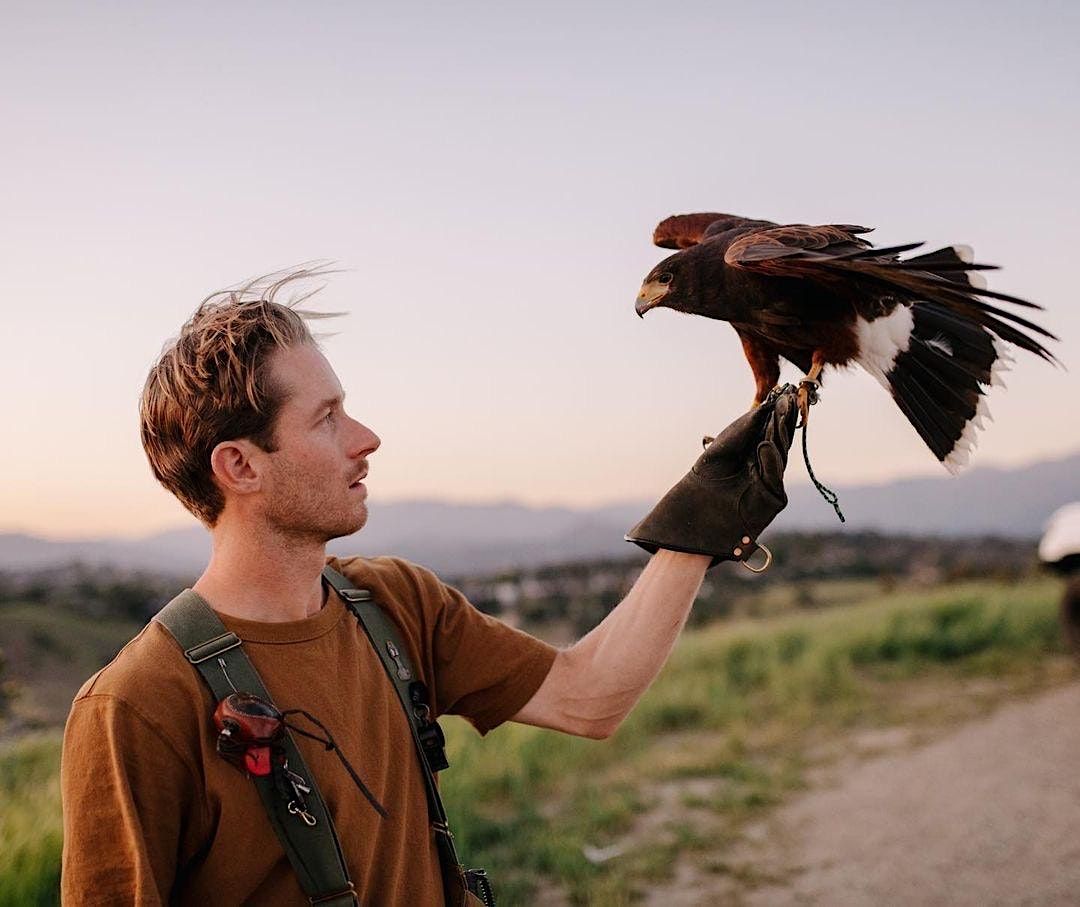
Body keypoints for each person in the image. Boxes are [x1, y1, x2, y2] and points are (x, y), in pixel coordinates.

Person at [60, 269, 799, 905]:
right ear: (240, 467)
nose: (365, 437)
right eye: (326, 419)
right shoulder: (136, 705)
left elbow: (591, 695)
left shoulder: (394, 604)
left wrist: (700, 525)